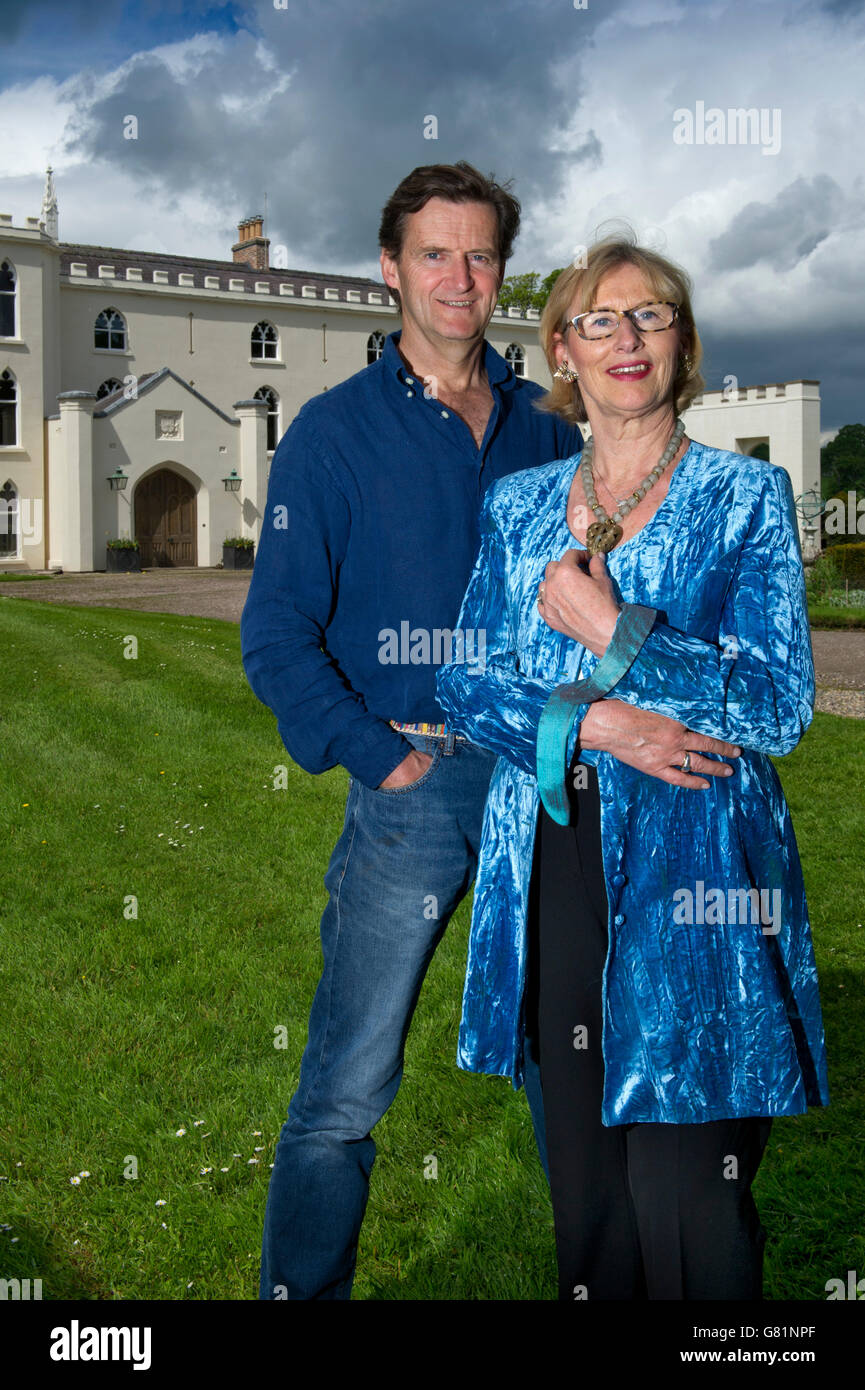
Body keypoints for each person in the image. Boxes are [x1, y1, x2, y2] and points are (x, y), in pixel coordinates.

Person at [436, 233, 830, 1301]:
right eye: (597, 319)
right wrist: (604, 722)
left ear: (681, 342)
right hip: (554, 863)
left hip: (695, 862)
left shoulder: (743, 496)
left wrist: (620, 630)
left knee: (693, 1192)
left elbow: (777, 703)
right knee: (589, 1195)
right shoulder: (518, 506)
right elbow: (467, 687)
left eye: (650, 315)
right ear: (562, 347)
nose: (625, 336)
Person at [240, 161, 585, 1300]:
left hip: (542, 777)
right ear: (389, 269)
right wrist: (380, 757)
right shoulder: (333, 436)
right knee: (344, 1090)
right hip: (416, 784)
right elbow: (277, 634)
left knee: (574, 1067)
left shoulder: (550, 426)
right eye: (433, 253)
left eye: (479, 254)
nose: (458, 276)